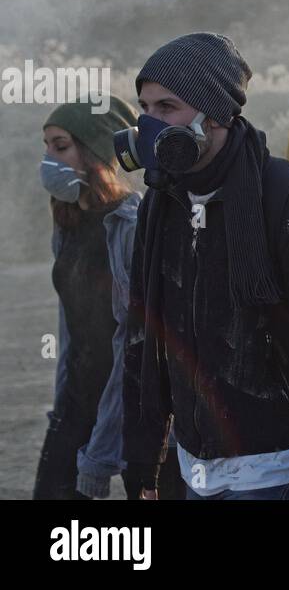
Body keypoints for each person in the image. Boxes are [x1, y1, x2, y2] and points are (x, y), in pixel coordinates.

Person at [121, 32, 289, 500]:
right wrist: (143, 457)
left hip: (280, 472)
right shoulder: (161, 200)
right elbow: (145, 336)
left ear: (215, 115)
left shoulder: (287, 201)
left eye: (167, 108)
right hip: (193, 469)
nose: (149, 124)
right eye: (144, 109)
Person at [33, 95, 142, 499]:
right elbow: (72, 328)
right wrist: (64, 404)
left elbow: (131, 340)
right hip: (78, 401)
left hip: (133, 408)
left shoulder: (131, 225)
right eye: (45, 146)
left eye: (60, 146)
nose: (48, 158)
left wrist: (103, 447)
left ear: (94, 151)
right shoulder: (67, 223)